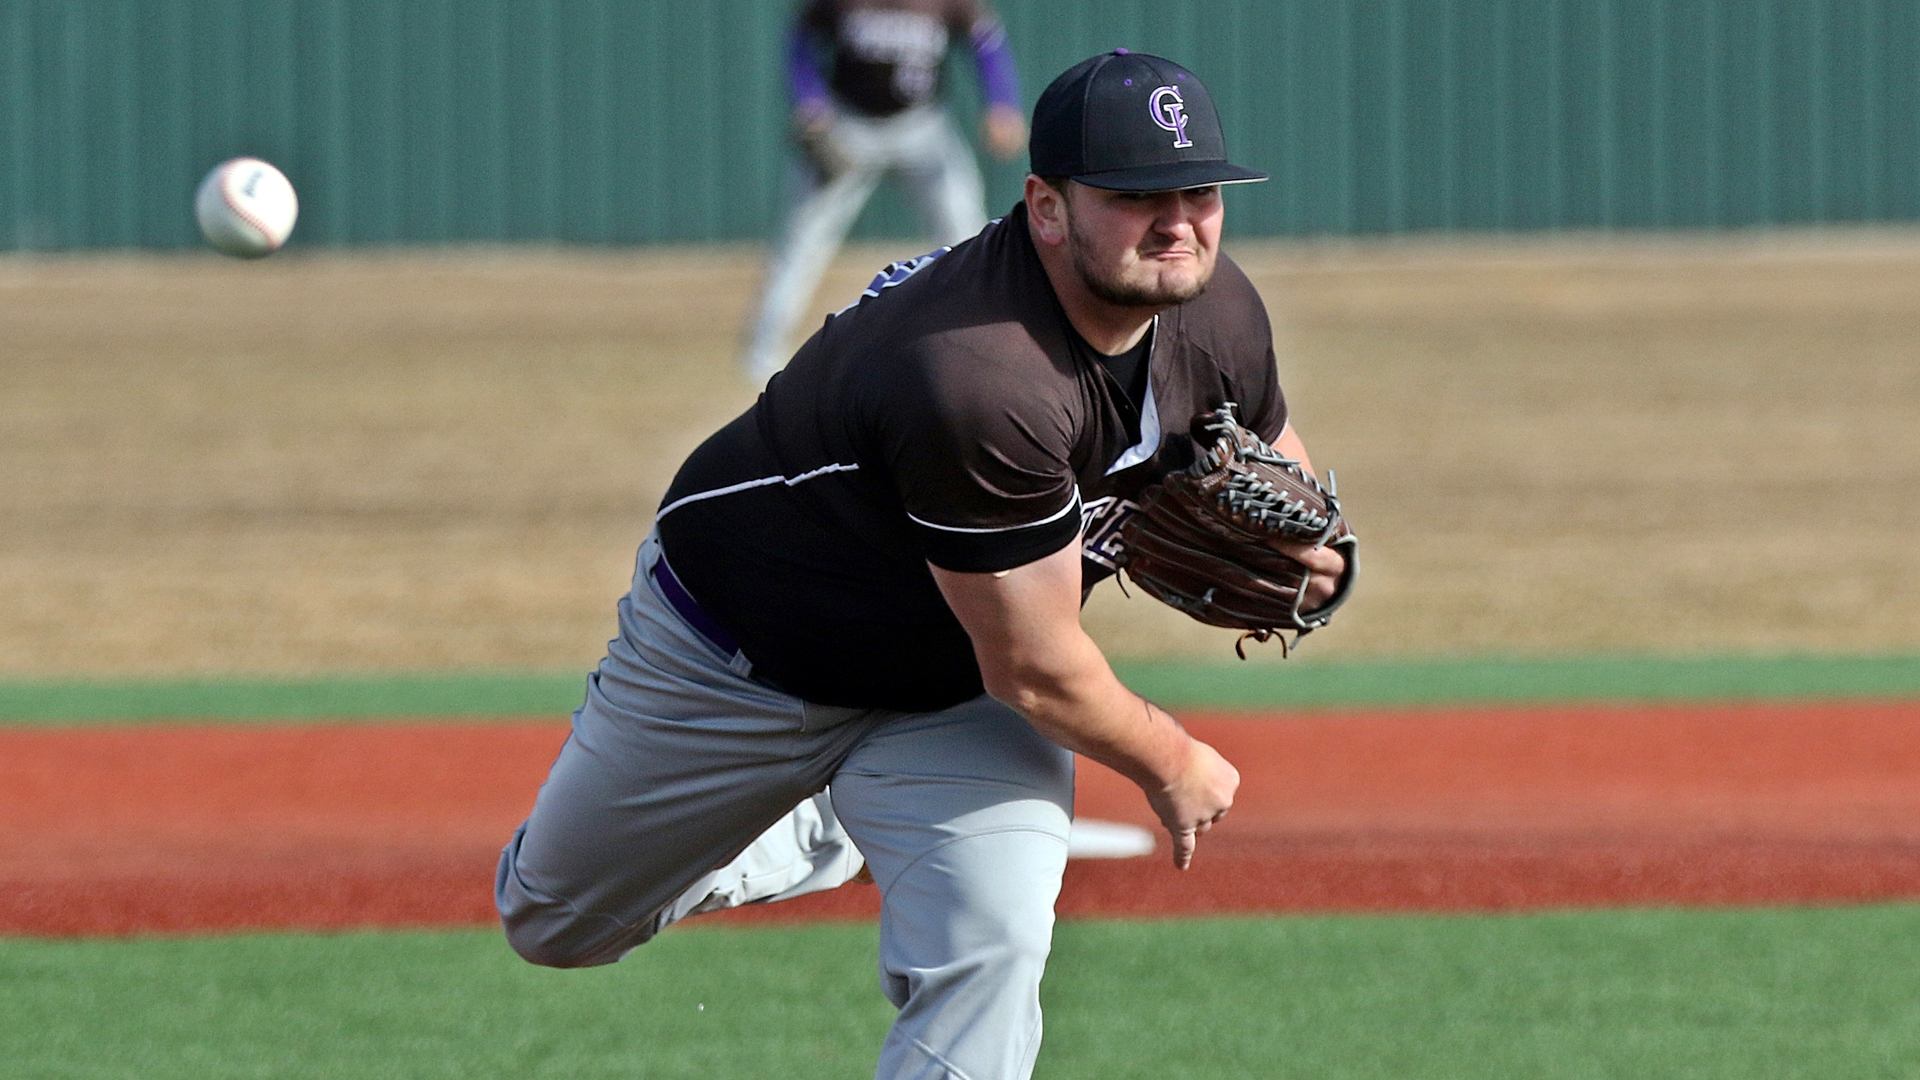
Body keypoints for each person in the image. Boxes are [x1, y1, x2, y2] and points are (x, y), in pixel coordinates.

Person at [499, 50, 1348, 1080]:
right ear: (1046, 206)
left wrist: (1318, 560)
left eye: (1198, 190)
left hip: (954, 691)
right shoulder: (979, 374)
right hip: (737, 653)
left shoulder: (1214, 314)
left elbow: (1274, 459)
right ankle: (830, 824)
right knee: (553, 922)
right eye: (1134, 196)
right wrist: (1173, 763)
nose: (1177, 223)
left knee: (995, 945)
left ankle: (887, 808)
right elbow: (1035, 668)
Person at [740, 0, 1027, 380]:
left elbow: (987, 45)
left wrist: (1003, 103)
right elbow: (801, 39)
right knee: (802, 238)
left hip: (922, 127)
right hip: (847, 125)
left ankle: (983, 340)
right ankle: (762, 351)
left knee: (965, 231)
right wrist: (810, 100)